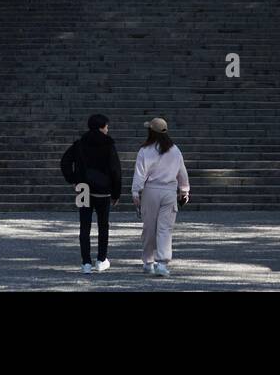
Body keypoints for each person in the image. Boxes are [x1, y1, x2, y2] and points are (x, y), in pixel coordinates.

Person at [60, 114, 122, 274]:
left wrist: (73, 179)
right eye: (106, 126)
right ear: (101, 127)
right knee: (103, 225)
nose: (108, 129)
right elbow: (115, 170)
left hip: (83, 189)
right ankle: (101, 259)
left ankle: (86, 262)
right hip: (103, 190)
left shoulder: (80, 143)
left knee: (85, 226)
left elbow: (65, 161)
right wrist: (116, 193)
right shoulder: (108, 145)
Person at [131, 117, 190, 277]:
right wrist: (184, 190)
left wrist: (136, 191)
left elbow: (140, 172)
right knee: (165, 228)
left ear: (150, 131)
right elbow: (182, 172)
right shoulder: (175, 150)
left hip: (151, 190)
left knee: (149, 227)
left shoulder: (145, 150)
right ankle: (162, 263)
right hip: (170, 191)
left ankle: (148, 261)